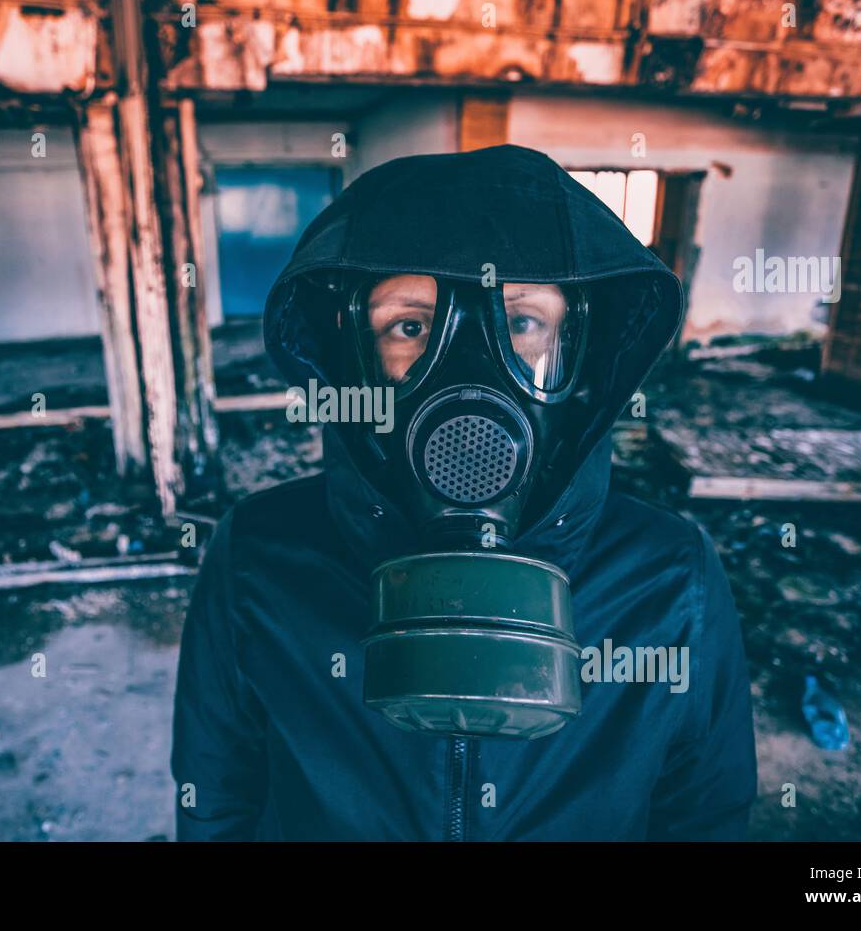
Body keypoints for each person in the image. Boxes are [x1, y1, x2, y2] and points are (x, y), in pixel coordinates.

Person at [171, 144, 757, 840]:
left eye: (523, 323)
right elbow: (213, 804)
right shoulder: (258, 559)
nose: (472, 377)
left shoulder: (669, 579)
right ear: (350, 362)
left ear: (584, 360)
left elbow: (705, 818)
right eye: (410, 327)